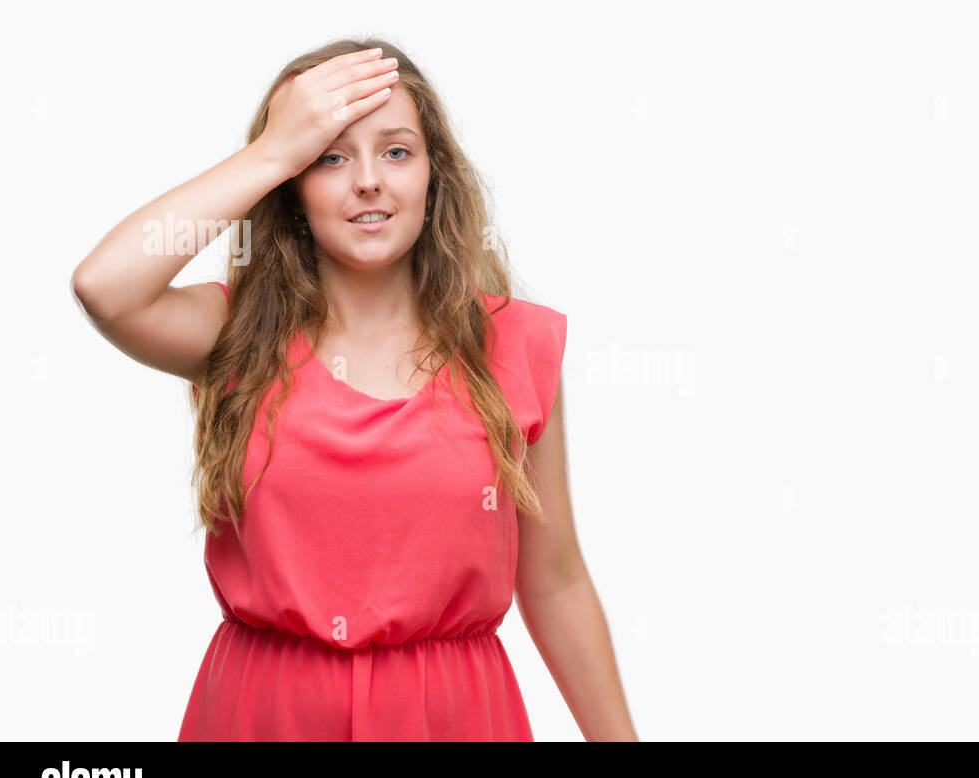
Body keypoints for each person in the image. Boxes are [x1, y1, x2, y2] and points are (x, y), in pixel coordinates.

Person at [70, 38, 637, 741]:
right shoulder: (235, 334)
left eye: (396, 151)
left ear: (435, 175)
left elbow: (555, 582)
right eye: (330, 157)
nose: (368, 180)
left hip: (455, 718)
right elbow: (104, 287)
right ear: (292, 188)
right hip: (264, 715)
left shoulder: (515, 345)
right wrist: (274, 150)